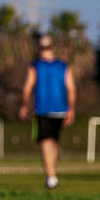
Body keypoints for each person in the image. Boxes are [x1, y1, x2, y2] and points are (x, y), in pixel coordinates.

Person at [19, 33, 75, 189]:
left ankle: (51, 174)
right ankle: (51, 175)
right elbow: (28, 88)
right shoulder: (38, 66)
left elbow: (70, 89)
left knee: (49, 142)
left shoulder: (59, 66)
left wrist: (70, 108)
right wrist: (25, 104)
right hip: (43, 110)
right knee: (48, 141)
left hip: (54, 110)